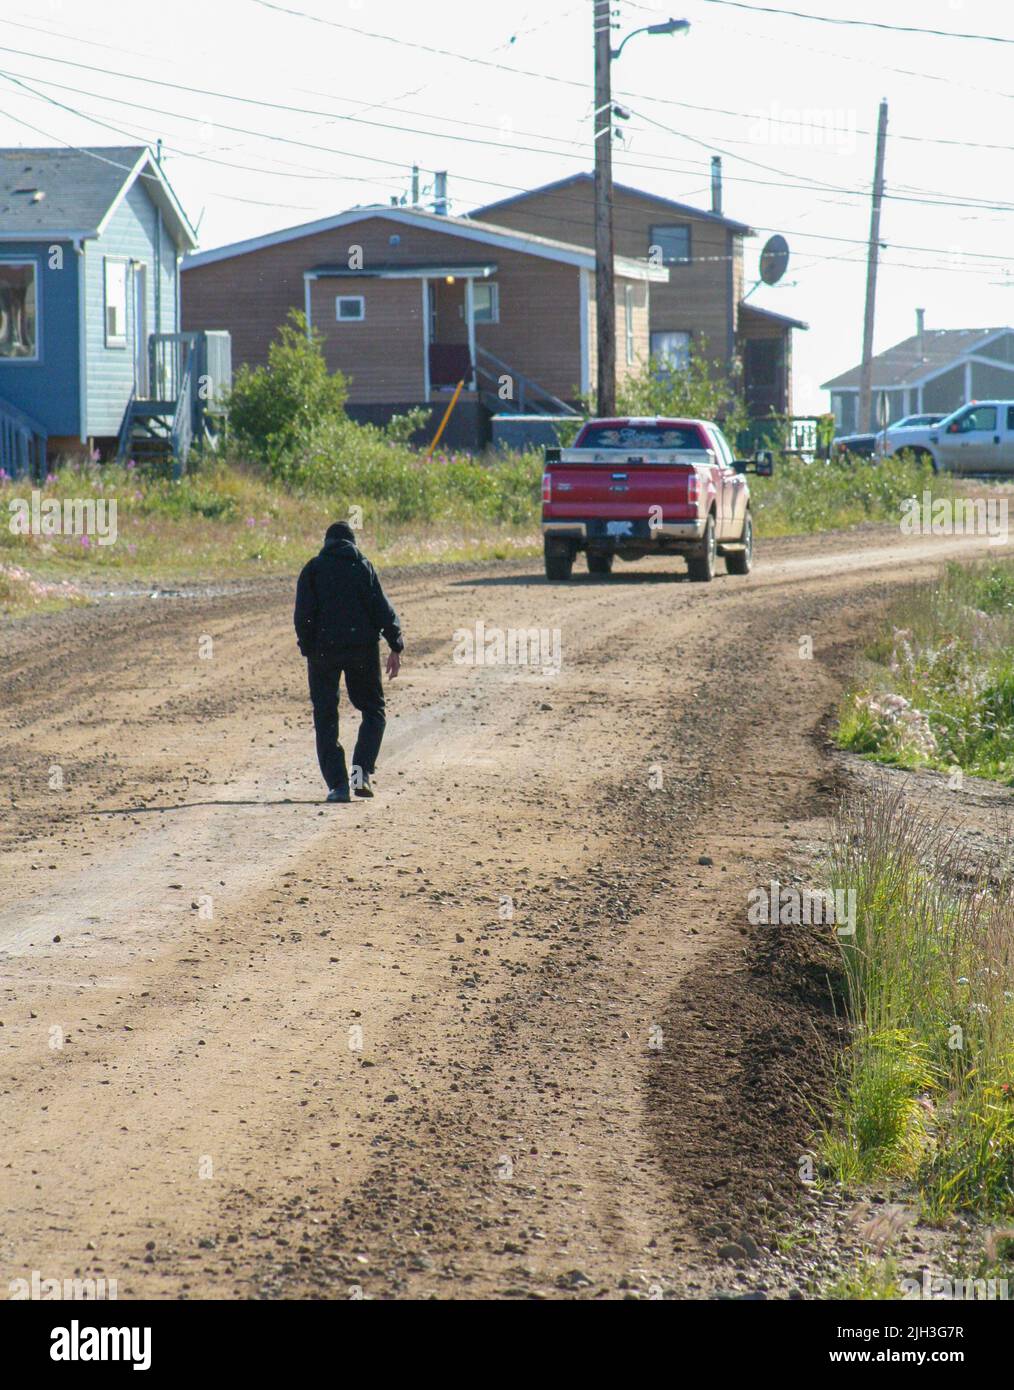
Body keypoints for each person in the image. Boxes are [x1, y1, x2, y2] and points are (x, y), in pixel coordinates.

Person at [294, 522, 403, 803]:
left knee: (326, 716)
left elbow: (303, 615)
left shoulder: (313, 569)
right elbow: (382, 608)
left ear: (327, 542)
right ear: (352, 543)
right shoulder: (362, 567)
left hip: (323, 653)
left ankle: (338, 786)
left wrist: (309, 648)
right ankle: (360, 774)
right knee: (373, 711)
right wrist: (395, 645)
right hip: (361, 650)